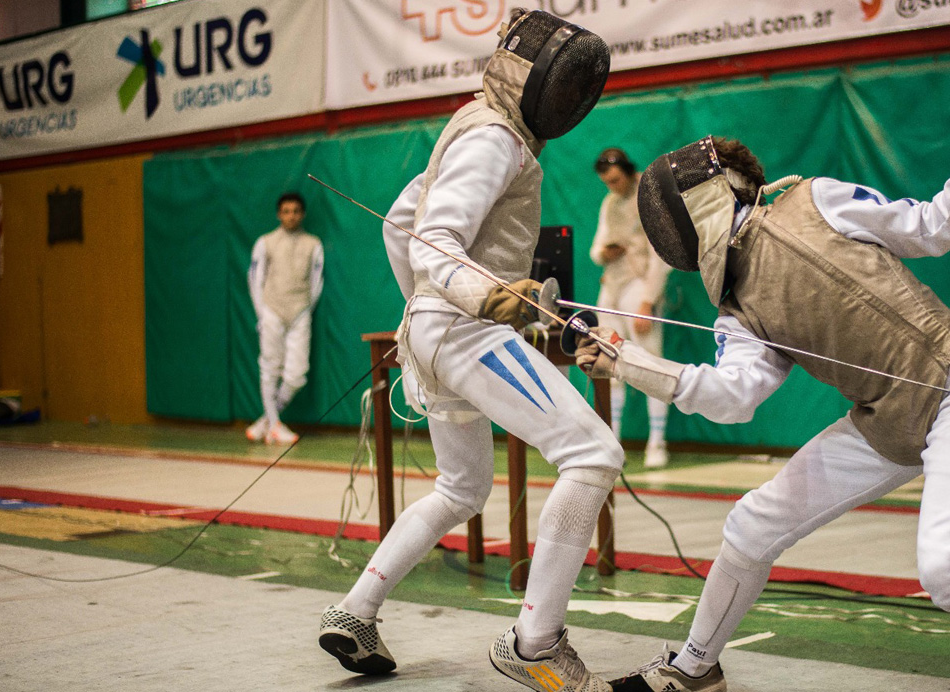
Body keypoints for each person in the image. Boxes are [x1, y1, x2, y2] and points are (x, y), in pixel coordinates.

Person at [579, 95, 950, 692]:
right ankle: (694, 670)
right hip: (883, 420)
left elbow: (935, 225)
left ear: (712, 193)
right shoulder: (735, 309)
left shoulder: (818, 199)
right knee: (751, 526)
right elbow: (735, 396)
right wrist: (627, 362)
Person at [318, 10, 619, 692]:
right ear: (535, 82)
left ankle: (357, 611)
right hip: (464, 328)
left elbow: (401, 224)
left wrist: (418, 310)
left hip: (439, 326)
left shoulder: (472, 128)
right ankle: (534, 644)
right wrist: (477, 297)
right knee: (594, 453)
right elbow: (437, 239)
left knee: (462, 487)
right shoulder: (495, 140)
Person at [590, 147, 673, 468]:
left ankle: (657, 443)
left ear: (627, 171)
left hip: (639, 285)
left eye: (615, 180)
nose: (612, 186)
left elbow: (662, 255)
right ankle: (613, 443)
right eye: (606, 182)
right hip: (613, 285)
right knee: (608, 362)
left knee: (651, 363)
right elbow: (596, 247)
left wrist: (647, 301)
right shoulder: (610, 202)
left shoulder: (650, 198)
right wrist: (604, 255)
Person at [245, 192, 323, 445]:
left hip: (299, 311)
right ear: (279, 214)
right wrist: (262, 313)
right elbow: (255, 279)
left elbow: (316, 282)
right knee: (270, 366)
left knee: (297, 374)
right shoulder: (265, 242)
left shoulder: (313, 243)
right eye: (286, 211)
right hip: (271, 310)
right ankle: (275, 425)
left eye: (296, 211)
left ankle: (266, 421)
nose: (291, 216)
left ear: (303, 214)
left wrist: (305, 310)